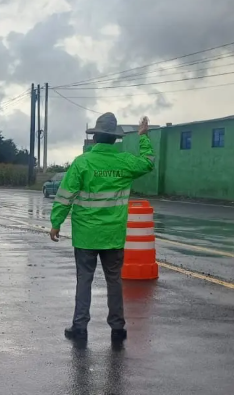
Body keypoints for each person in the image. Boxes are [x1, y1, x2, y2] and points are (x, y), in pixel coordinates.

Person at [49, 112, 155, 345]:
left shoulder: (82, 162)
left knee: (84, 280)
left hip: (86, 235)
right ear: (115, 139)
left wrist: (56, 223)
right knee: (114, 281)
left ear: (95, 137)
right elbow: (148, 162)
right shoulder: (125, 162)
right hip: (113, 235)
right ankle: (118, 328)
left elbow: (65, 195)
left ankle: (80, 327)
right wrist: (143, 137)